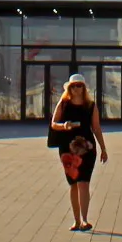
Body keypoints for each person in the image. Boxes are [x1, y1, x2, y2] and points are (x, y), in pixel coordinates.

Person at [49, 73, 106, 231]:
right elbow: (53, 123)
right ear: (69, 88)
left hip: (87, 148)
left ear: (84, 88)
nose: (76, 89)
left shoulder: (90, 106)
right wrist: (64, 126)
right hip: (67, 148)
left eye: (79, 85)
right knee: (73, 183)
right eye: (73, 86)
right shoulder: (64, 104)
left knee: (84, 182)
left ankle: (85, 220)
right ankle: (76, 221)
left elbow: (96, 128)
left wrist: (103, 149)